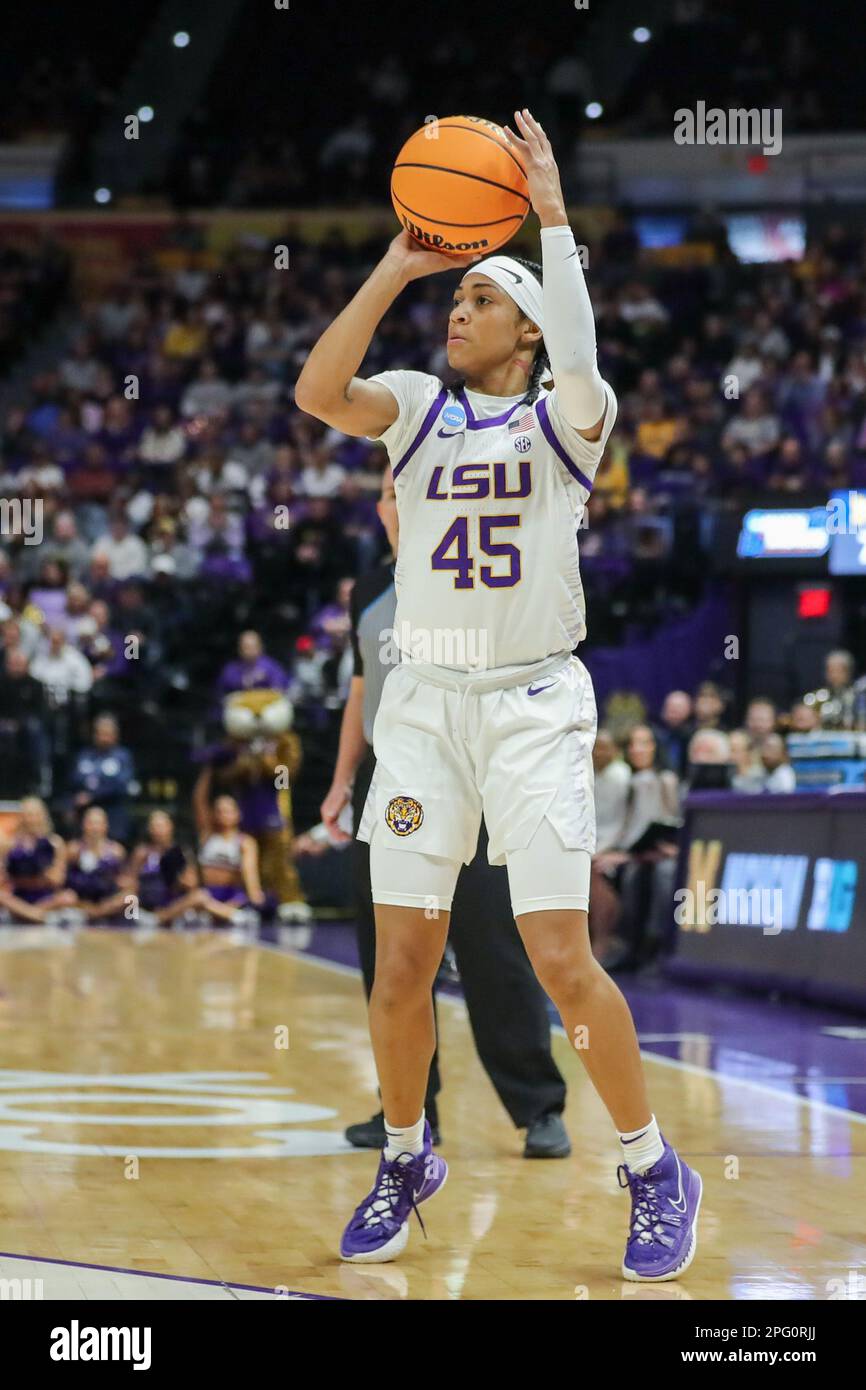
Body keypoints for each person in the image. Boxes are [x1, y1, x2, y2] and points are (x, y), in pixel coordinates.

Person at [297, 109, 702, 1282]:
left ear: (524, 327)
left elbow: (579, 354)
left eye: (475, 300)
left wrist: (556, 214)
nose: (454, 312)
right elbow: (320, 391)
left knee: (557, 955)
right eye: (454, 300)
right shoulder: (417, 405)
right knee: (399, 963)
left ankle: (649, 1166)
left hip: (529, 703)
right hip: (424, 705)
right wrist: (396, 262)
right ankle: (408, 1154)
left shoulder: (566, 417)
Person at [320, 466, 571, 1158]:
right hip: (391, 779)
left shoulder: (474, 571)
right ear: (378, 508)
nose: (397, 504)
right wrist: (343, 781)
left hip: (472, 766)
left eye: (409, 492)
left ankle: (538, 1109)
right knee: (393, 955)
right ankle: (407, 1111)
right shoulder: (369, 591)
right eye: (387, 494)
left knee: (494, 946)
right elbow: (360, 690)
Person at [160, 795, 266, 927]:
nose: (223, 815)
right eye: (219, 811)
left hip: (231, 894)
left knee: (199, 900)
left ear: (237, 814)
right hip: (207, 892)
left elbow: (249, 871)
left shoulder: (245, 841)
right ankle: (230, 915)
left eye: (227, 811)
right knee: (197, 897)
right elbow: (198, 800)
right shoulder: (207, 836)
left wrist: (253, 893)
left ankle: (158, 918)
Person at [69, 713, 138, 843]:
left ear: (115, 735)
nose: (104, 738)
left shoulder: (123, 756)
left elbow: (122, 785)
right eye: (100, 733)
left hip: (114, 820)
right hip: (85, 819)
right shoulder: (84, 755)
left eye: (107, 734)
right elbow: (75, 781)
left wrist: (93, 795)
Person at [0, 798, 69, 924]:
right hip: (18, 897)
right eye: (28, 815)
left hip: (46, 899)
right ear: (21, 817)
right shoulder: (10, 843)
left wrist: (36, 873)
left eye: (36, 815)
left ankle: (27, 914)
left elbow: (57, 880)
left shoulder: (55, 843)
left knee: (68, 897)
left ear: (43, 816)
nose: (31, 819)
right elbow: (4, 878)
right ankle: (35, 915)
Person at [65, 806, 128, 922]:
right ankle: (90, 914)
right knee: (67, 897)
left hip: (107, 902)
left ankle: (96, 914)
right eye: (91, 823)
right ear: (83, 825)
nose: (94, 828)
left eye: (98, 823)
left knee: (128, 898)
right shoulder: (73, 849)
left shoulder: (117, 851)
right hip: (81, 901)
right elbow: (64, 880)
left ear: (106, 826)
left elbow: (123, 879)